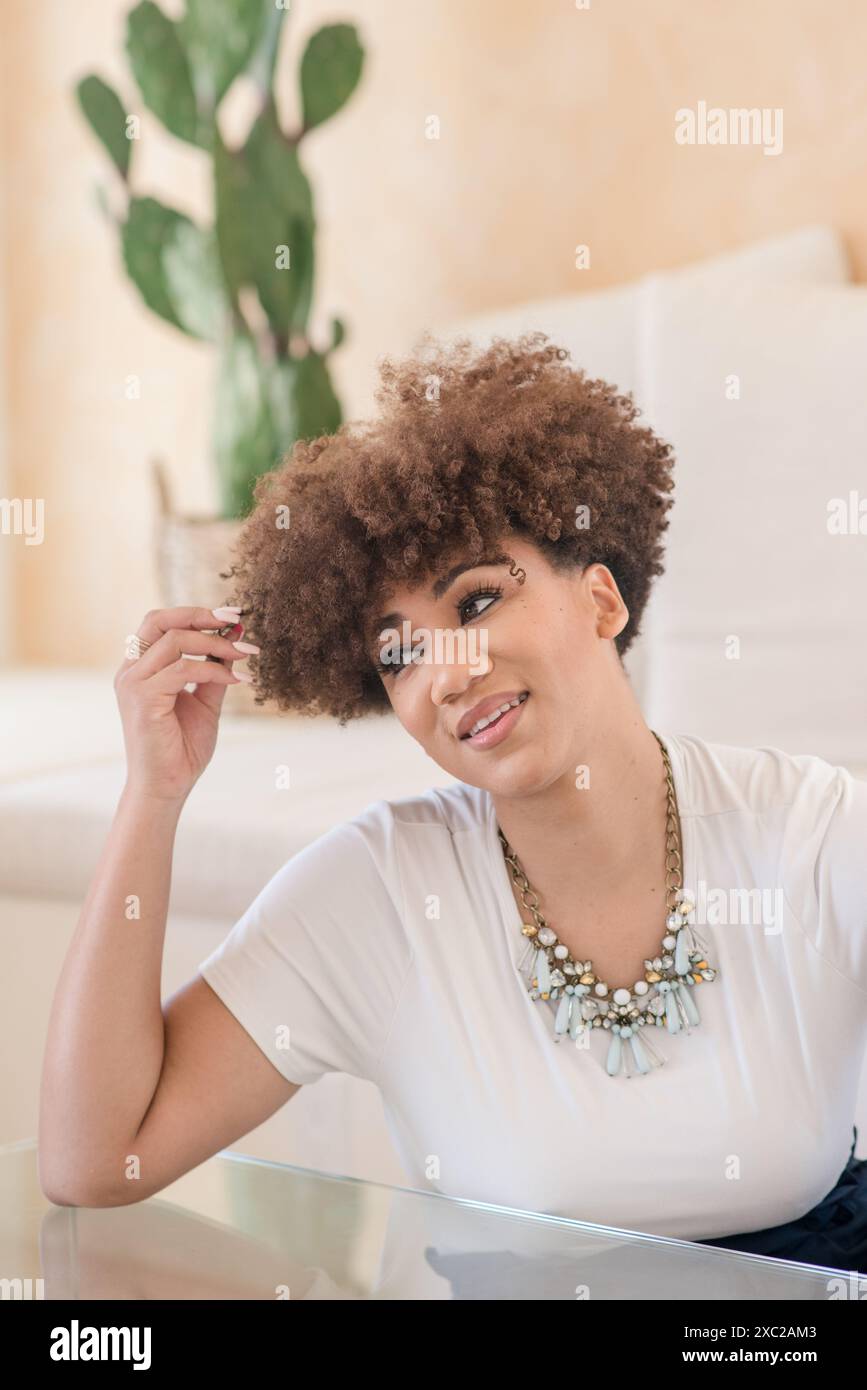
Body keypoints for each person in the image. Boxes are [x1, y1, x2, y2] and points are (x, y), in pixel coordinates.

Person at [38, 332, 867, 1275]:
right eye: (397, 653)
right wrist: (154, 793)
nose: (445, 674)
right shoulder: (380, 892)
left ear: (602, 600)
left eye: (476, 602)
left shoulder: (807, 831)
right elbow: (96, 1161)